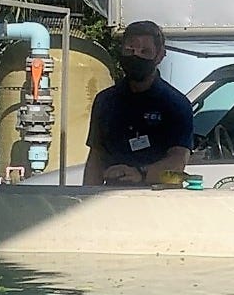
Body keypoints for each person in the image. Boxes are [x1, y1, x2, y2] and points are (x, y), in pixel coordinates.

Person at [83, 20, 193, 186]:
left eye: (145, 51)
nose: (136, 56)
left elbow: (177, 162)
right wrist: (86, 197)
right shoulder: (105, 101)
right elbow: (96, 158)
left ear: (159, 55)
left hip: (159, 199)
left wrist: (140, 173)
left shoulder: (176, 105)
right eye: (130, 50)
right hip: (110, 199)